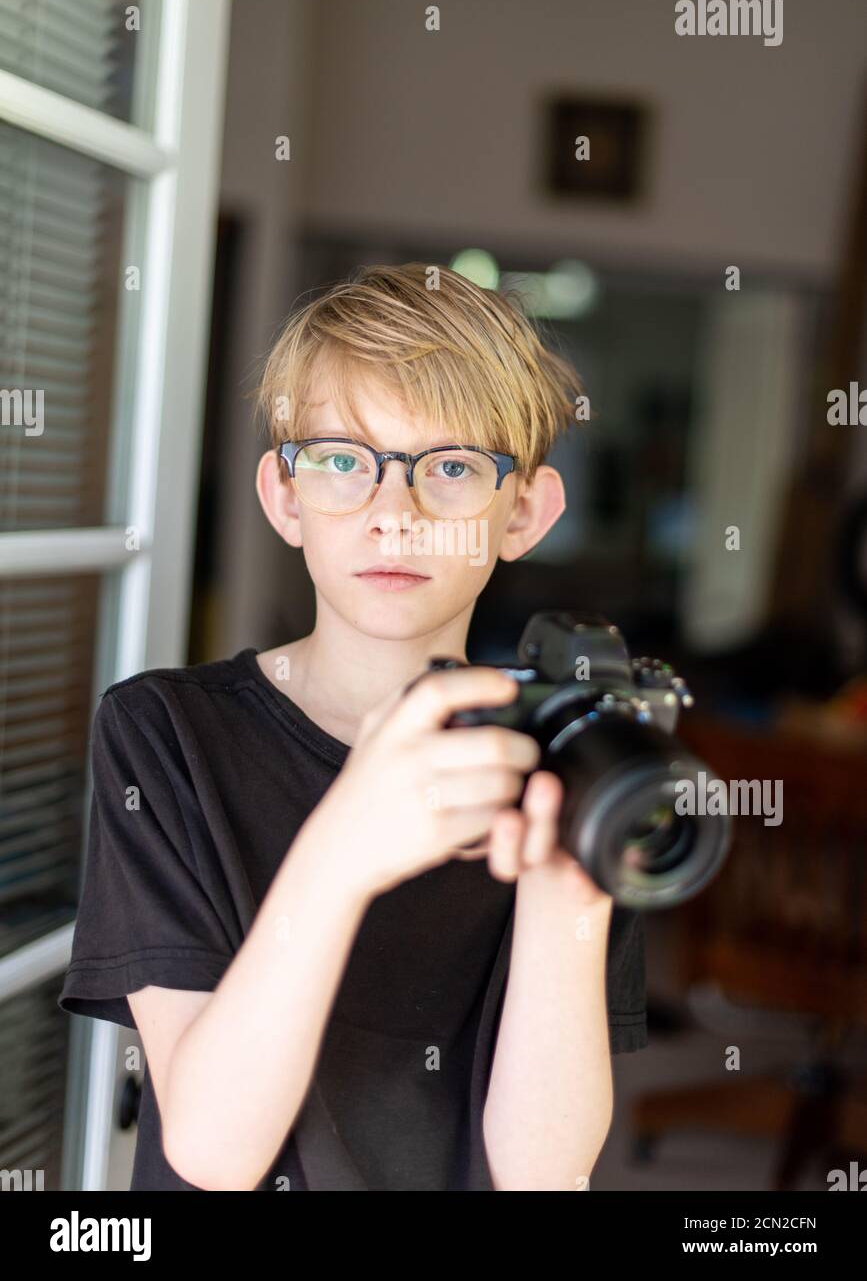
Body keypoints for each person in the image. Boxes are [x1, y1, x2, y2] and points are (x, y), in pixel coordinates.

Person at [58, 262, 648, 1191]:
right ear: (286, 496)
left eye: (451, 468)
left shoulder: (571, 752)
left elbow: (542, 1173)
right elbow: (213, 1152)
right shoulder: (163, 734)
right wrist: (342, 850)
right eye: (342, 461)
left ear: (522, 512)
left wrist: (570, 890)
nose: (394, 514)